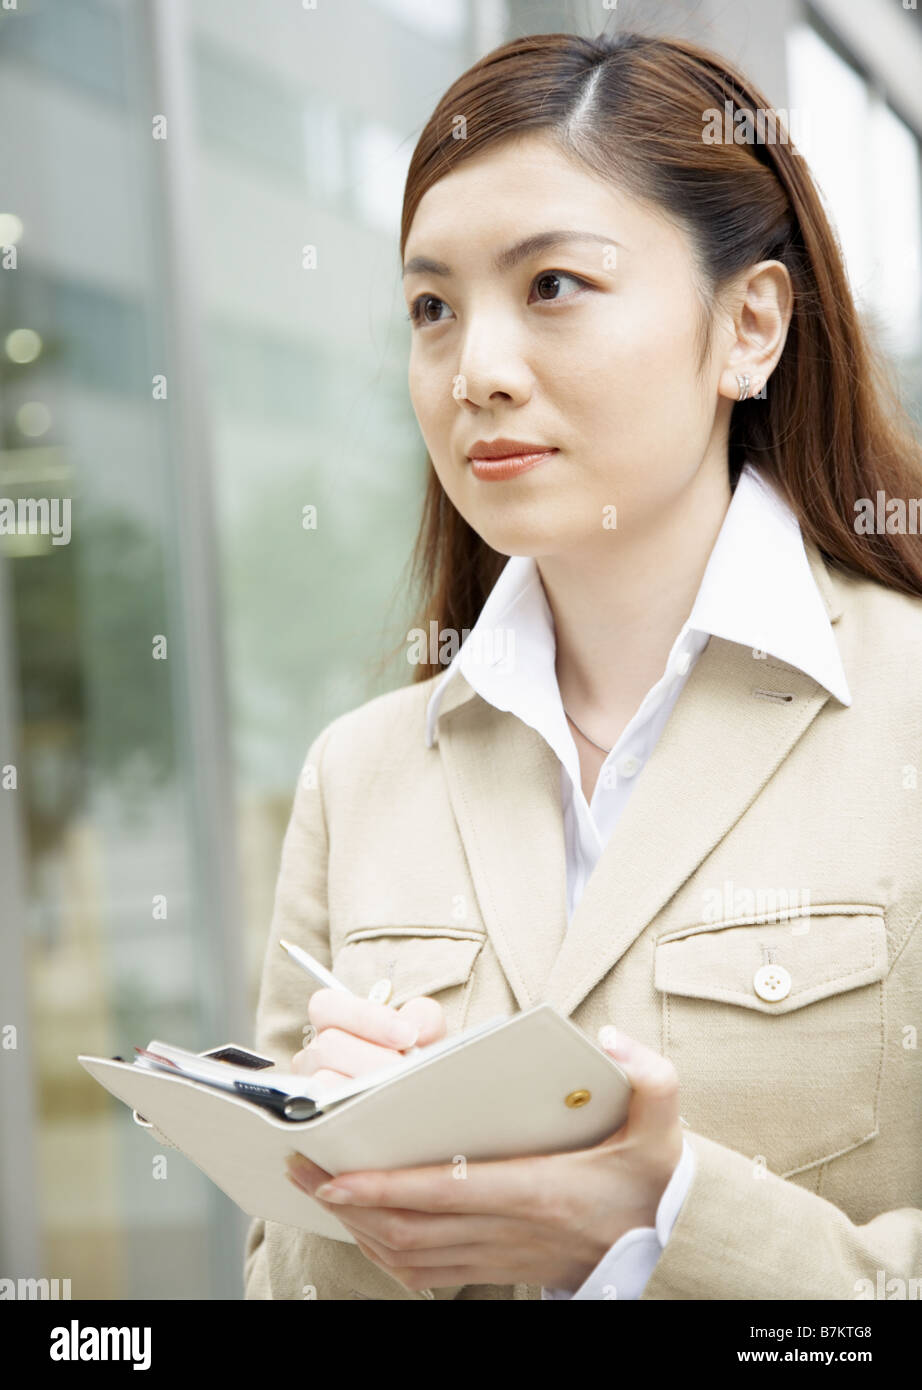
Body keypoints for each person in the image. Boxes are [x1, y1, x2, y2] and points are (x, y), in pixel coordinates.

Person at [243, 30, 922, 1300]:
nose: (476, 373)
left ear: (749, 327)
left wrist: (661, 1227)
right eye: (433, 309)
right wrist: (348, 1185)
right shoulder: (360, 775)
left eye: (553, 284)